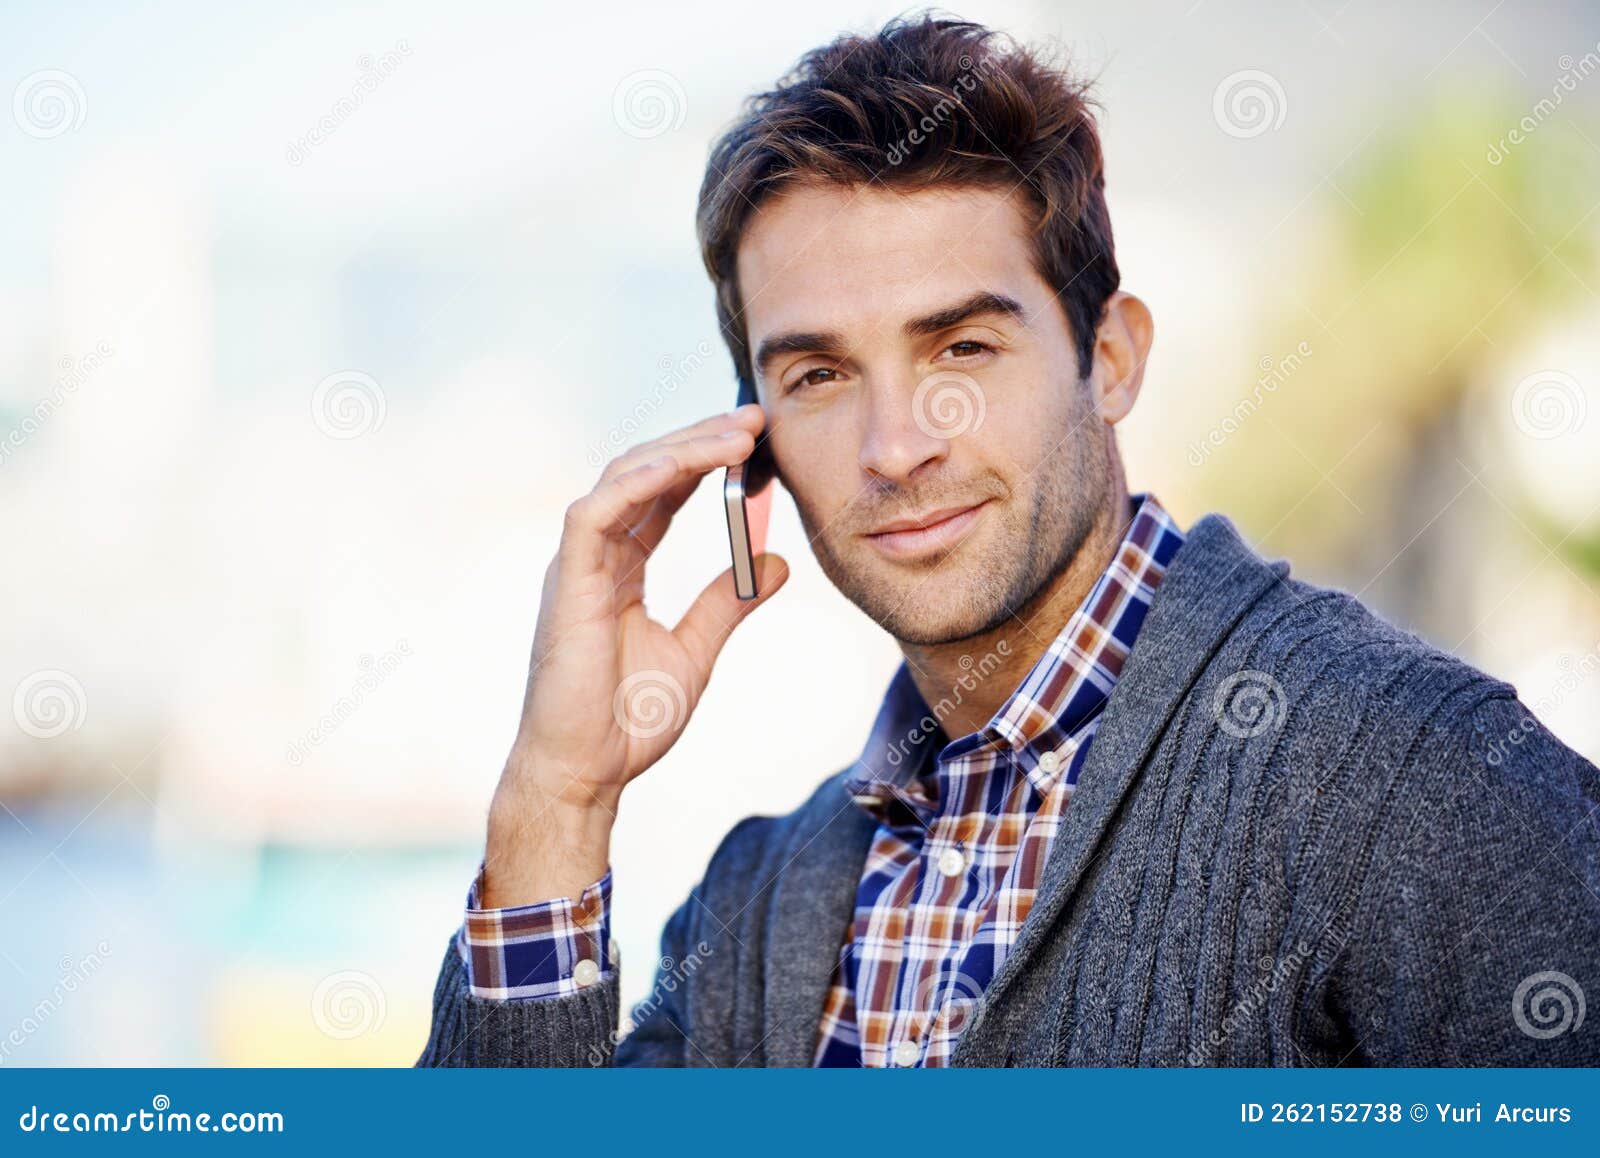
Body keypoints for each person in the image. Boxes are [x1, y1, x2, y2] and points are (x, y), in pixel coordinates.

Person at [418, 14, 1600, 1067]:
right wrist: (558, 799)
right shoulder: (751, 914)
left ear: (1113, 357)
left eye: (962, 349)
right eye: (820, 374)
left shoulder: (1411, 780)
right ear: (752, 440)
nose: (895, 445)